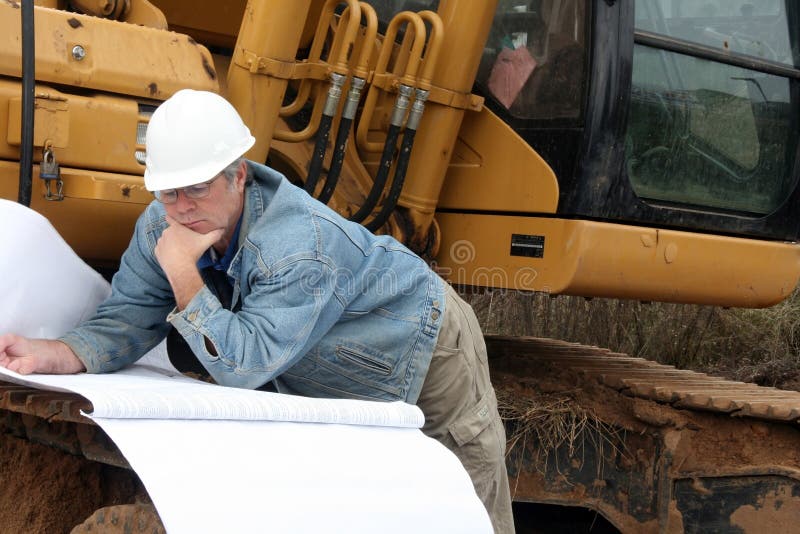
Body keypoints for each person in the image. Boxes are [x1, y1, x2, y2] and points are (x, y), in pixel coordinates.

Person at [0, 89, 514, 533]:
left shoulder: (299, 247)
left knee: (462, 503)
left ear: (239, 176)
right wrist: (62, 351)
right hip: (315, 360)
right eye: (169, 192)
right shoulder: (165, 223)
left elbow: (243, 367)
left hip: (419, 344)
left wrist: (182, 272)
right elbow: (129, 316)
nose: (182, 208)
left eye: (197, 187)